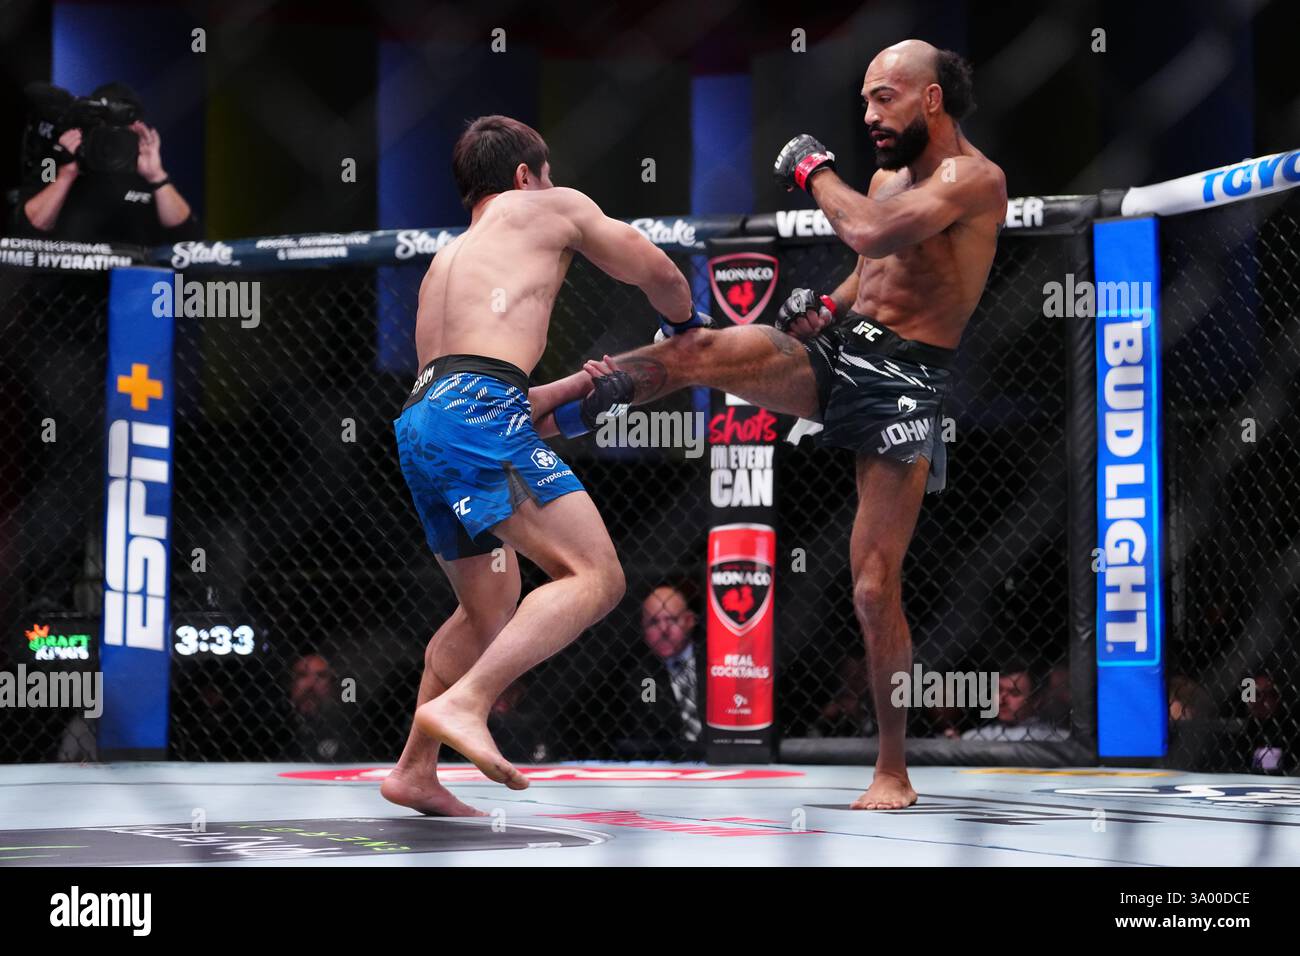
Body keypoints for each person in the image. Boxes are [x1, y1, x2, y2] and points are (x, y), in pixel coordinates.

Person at [541, 40, 1006, 809]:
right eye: (864, 98)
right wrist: (826, 306)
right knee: (697, 350)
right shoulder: (886, 179)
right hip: (842, 350)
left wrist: (814, 170)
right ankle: (538, 413)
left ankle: (892, 768)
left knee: (872, 585)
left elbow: (869, 233)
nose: (869, 113)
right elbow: (869, 271)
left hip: (904, 378)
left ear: (931, 98)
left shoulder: (973, 178)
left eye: (884, 97)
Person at [380, 115, 693, 815]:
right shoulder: (550, 205)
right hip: (477, 413)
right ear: (526, 175)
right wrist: (684, 332)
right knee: (596, 576)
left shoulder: (445, 262)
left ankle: (415, 770)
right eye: (545, 175)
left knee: (487, 608)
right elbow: (661, 271)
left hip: (421, 421)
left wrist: (578, 387)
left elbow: (482, 391)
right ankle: (469, 702)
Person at [12, 81, 199, 244]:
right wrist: (66, 175)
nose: (110, 143)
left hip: (131, 274)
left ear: (137, 131)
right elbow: (26, 232)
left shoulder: (146, 171)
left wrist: (157, 177)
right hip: (64, 273)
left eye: (121, 131)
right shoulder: (55, 164)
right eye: (103, 129)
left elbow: (187, 239)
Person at [615, 584, 705, 759]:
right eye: (654, 622)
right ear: (643, 628)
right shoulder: (642, 677)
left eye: (672, 619)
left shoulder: (716, 660)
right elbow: (648, 731)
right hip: (672, 761)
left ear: (689, 620)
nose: (664, 630)